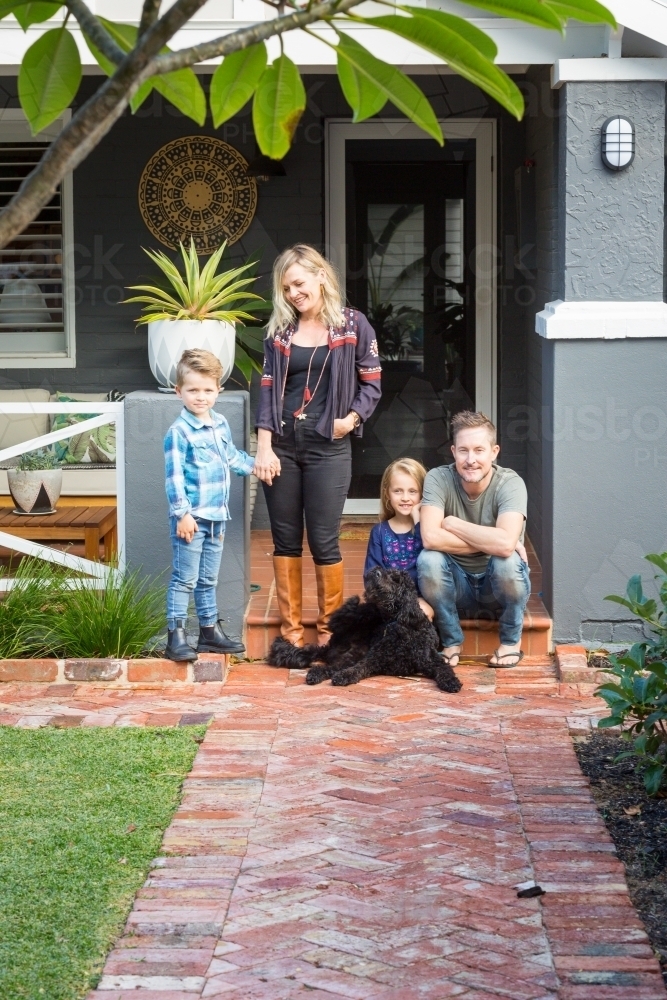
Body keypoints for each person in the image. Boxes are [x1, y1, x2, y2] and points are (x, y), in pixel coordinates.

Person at [255, 244, 381, 647]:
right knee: (285, 538)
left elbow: (372, 382)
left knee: (324, 538)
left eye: (298, 283)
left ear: (321, 277)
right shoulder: (280, 333)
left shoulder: (354, 326)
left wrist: (352, 419)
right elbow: (267, 389)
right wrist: (264, 446)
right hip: (283, 448)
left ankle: (330, 632)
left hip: (329, 447)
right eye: (286, 288)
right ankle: (290, 632)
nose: (293, 294)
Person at [417, 410, 530, 669]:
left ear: (494, 451)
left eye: (479, 450)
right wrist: (496, 542)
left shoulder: (510, 483)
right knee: (429, 560)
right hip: (456, 586)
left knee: (506, 562)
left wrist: (451, 523)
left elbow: (503, 546)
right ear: (453, 451)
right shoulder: (438, 477)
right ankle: (451, 642)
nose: (471, 460)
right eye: (464, 451)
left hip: (497, 589)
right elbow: (430, 537)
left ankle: (511, 642)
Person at [164, 349, 256, 662]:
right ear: (179, 391)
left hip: (218, 518)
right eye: (192, 390)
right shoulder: (178, 432)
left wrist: (259, 466)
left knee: (208, 579)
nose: (200, 397)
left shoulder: (220, 424)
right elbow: (174, 478)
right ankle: (175, 636)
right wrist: (182, 514)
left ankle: (208, 632)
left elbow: (232, 457)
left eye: (207, 389)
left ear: (218, 390)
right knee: (184, 579)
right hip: (192, 519)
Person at [363, 458, 434, 620]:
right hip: (389, 601)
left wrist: (418, 519)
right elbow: (371, 576)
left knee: (421, 612)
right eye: (398, 491)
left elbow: (435, 564)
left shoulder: (428, 529)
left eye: (412, 491)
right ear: (387, 493)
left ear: (423, 494)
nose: (405, 498)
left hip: (423, 599)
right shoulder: (379, 532)